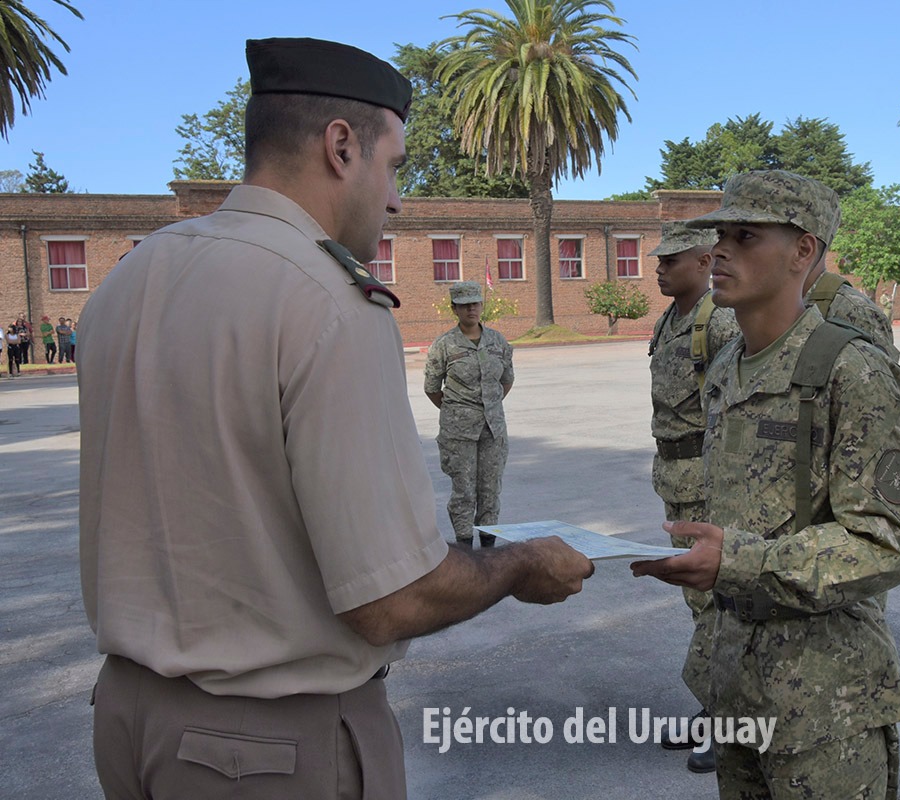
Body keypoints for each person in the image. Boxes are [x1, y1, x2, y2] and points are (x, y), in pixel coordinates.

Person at [77, 37, 593, 800]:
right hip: (267, 752)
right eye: (395, 167)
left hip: (128, 718)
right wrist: (519, 565)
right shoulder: (327, 302)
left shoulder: (129, 280)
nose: (396, 200)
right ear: (341, 147)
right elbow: (391, 597)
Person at [632, 170, 900, 799]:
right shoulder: (727, 370)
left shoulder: (852, 371)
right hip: (738, 683)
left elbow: (886, 544)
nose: (720, 252)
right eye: (719, 236)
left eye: (746, 236)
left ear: (803, 251)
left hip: (826, 702)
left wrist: (736, 561)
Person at [646, 221, 739, 773]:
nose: (658, 268)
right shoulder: (668, 321)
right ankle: (712, 710)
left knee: (719, 602)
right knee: (699, 602)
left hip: (708, 480)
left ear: (704, 262)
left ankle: (726, 723)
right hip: (676, 478)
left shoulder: (721, 321)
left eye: (669, 261)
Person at [424, 280, 514, 550]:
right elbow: (432, 388)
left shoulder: (498, 341)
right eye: (464, 306)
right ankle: (464, 547)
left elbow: (506, 380)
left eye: (475, 304)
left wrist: (488, 408)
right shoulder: (444, 345)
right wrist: (458, 411)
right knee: (464, 492)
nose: (471, 310)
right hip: (459, 433)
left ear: (481, 305)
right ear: (455, 309)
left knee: (490, 492)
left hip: (493, 430)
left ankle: (488, 551)